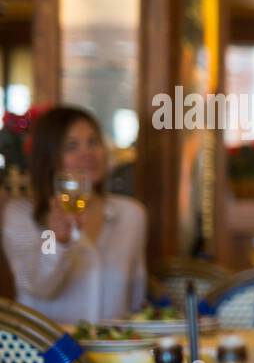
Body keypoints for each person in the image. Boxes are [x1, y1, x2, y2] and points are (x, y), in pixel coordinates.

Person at [2, 106, 146, 323]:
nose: (87, 154)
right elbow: (38, 286)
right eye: (71, 146)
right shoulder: (21, 215)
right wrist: (56, 240)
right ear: (49, 157)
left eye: (93, 142)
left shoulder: (130, 214)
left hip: (114, 352)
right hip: (49, 354)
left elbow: (136, 298)